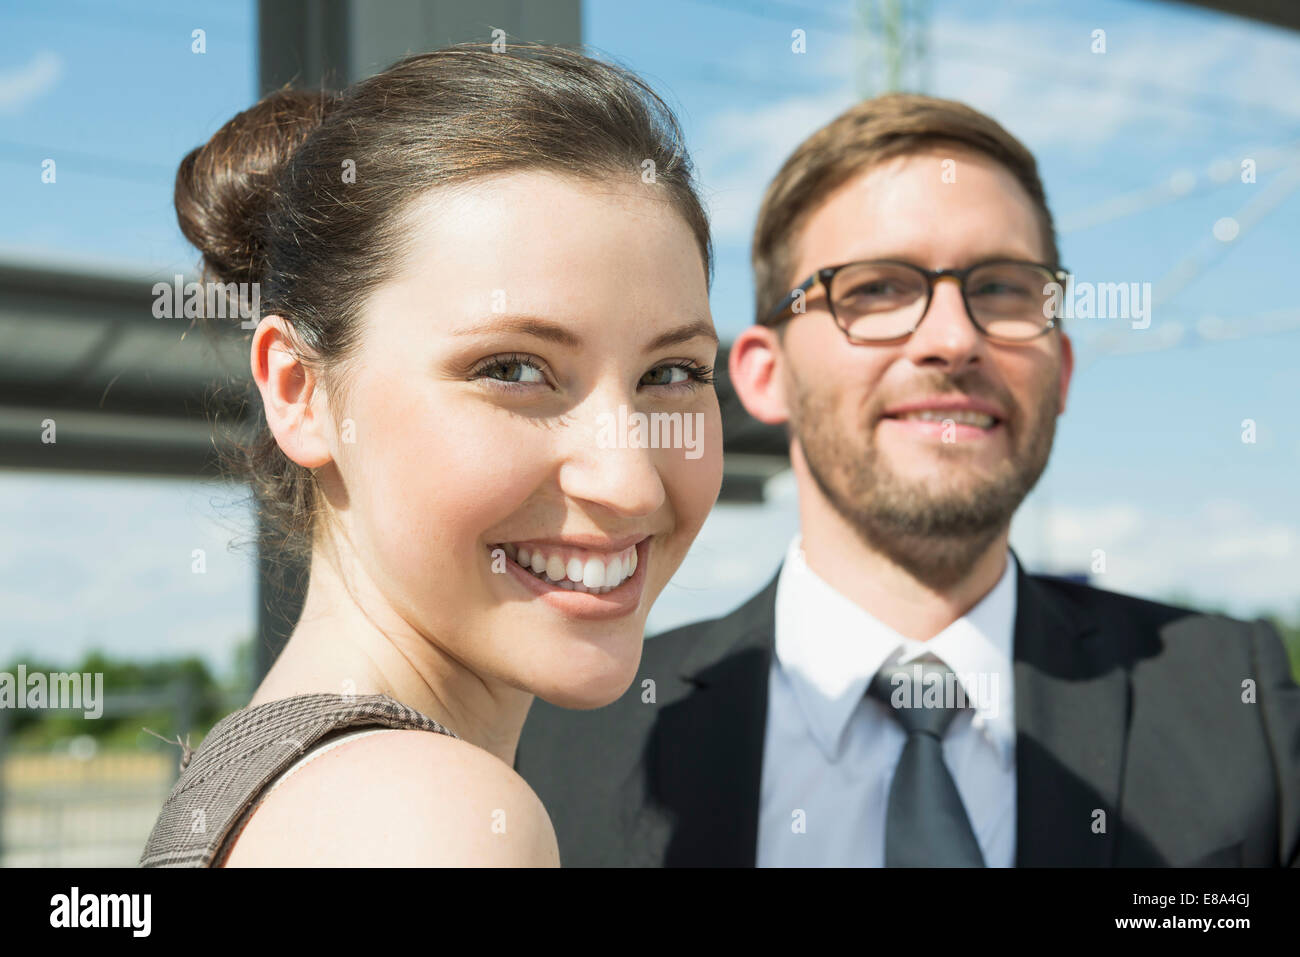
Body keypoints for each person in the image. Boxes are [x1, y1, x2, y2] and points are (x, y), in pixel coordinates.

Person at [516, 92, 1300, 867]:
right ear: (764, 373)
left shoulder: (1240, 701)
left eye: (1002, 289)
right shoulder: (561, 738)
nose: (954, 339)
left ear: (1059, 371)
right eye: (878, 289)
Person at [139, 41, 724, 867]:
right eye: (513, 369)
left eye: (672, 372)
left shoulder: (264, 780)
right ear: (299, 391)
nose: (628, 481)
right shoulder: (431, 822)